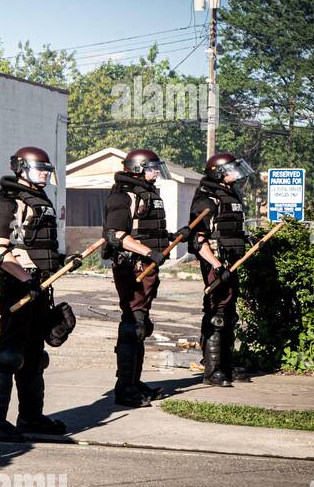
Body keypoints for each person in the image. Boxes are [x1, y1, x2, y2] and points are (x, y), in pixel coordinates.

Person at [0, 147, 76, 441]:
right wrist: (26, 280)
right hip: (17, 287)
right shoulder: (7, 201)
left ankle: (31, 418)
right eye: (40, 170)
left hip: (40, 286)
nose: (46, 175)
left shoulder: (40, 200)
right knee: (11, 353)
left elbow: (36, 246)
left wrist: (62, 262)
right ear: (21, 168)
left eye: (48, 171)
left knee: (35, 355)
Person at [104, 148, 173, 407]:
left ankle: (134, 381)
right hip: (132, 266)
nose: (156, 171)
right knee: (133, 323)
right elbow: (117, 235)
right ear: (137, 167)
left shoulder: (148, 193)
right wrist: (147, 252)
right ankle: (124, 388)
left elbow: (147, 232)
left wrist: (174, 237)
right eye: (152, 167)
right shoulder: (123, 196)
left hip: (147, 264)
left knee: (141, 323)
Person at [188, 153, 256, 386]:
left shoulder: (231, 195)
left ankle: (226, 365)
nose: (236, 175)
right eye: (231, 170)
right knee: (216, 313)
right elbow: (198, 241)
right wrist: (217, 266)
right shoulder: (207, 198)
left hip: (231, 262)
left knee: (228, 313)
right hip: (216, 263)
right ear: (218, 172)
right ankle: (212, 371)